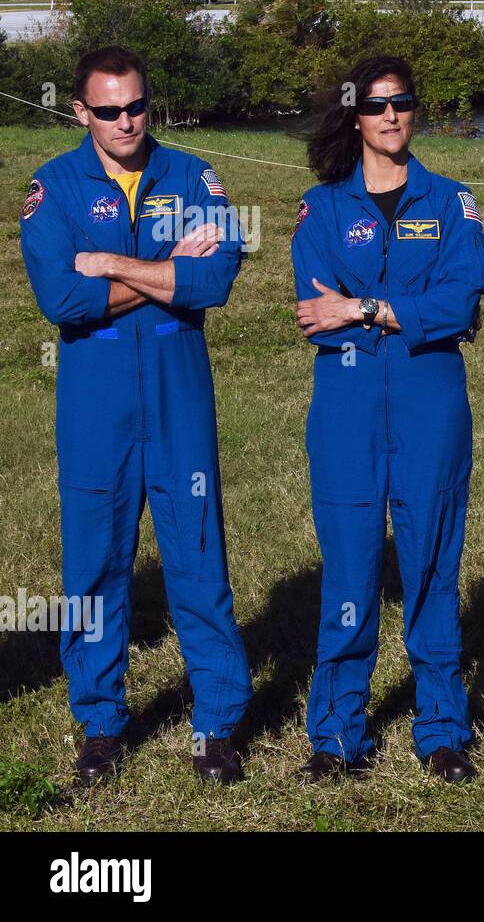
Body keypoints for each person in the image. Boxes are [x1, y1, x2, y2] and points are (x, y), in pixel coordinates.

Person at [20, 45, 253, 784]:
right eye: (110, 110)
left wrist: (115, 263)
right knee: (93, 565)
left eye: (138, 106)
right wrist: (166, 274)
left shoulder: (190, 175)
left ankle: (216, 723)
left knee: (197, 556)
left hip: (178, 394)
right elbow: (63, 299)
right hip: (96, 405)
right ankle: (101, 724)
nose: (127, 121)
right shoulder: (52, 187)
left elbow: (214, 278)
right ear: (82, 111)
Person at [291, 55, 484, 783]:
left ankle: (441, 728)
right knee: (349, 569)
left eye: (402, 103)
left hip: (430, 404)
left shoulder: (450, 202)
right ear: (355, 115)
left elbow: (463, 299)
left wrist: (368, 307)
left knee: (433, 565)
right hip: (346, 408)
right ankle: (338, 733)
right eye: (376, 106)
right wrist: (406, 314)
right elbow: (316, 313)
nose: (391, 116)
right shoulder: (323, 208)